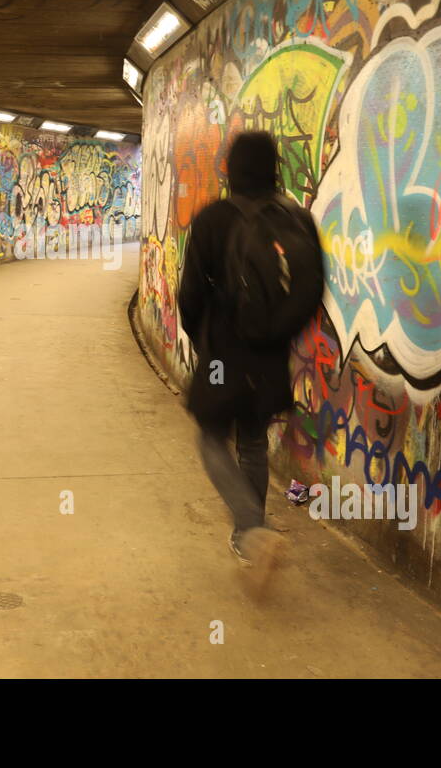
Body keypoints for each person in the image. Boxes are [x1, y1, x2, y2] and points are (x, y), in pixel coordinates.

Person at [177, 131, 322, 593]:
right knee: (254, 443)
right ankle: (249, 536)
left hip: (223, 353)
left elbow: (190, 295)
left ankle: (251, 531)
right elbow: (312, 291)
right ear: (274, 168)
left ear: (230, 169)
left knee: (211, 438)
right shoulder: (297, 220)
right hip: (269, 355)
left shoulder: (214, 219)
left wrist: (205, 342)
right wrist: (276, 333)